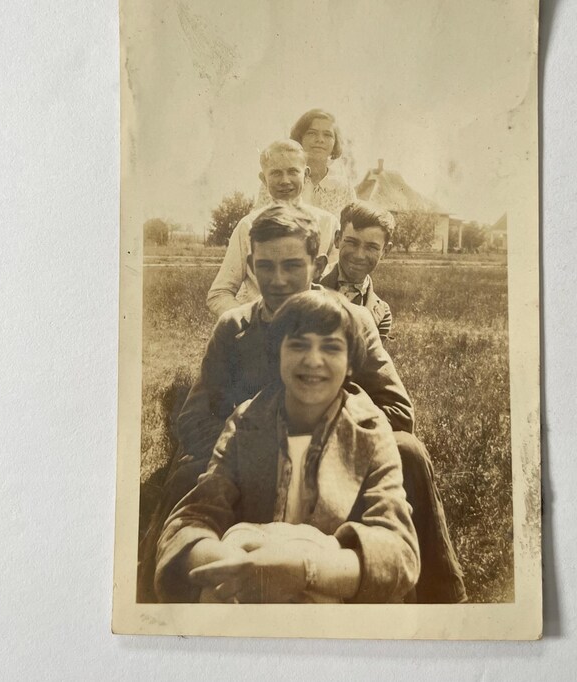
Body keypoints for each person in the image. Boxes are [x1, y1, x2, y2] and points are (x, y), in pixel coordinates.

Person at [138, 204, 465, 604]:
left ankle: (442, 598)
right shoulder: (236, 327)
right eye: (265, 266)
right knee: (187, 472)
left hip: (343, 452)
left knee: (408, 451)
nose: (278, 279)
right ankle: (153, 599)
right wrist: (252, 447)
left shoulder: (353, 321)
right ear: (250, 264)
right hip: (246, 455)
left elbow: (398, 411)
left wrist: (330, 428)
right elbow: (194, 416)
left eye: (293, 265)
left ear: (318, 262)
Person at [154, 290, 420, 604]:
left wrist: (304, 569)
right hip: (248, 589)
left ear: (350, 365)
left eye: (331, 347)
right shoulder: (247, 422)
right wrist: (237, 566)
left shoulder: (369, 431)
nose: (313, 360)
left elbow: (398, 548)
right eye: (298, 344)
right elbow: (193, 517)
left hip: (334, 596)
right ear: (278, 354)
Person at [206, 140, 339, 317]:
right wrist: (251, 323)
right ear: (263, 178)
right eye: (276, 173)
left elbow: (338, 288)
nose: (285, 181)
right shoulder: (248, 225)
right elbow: (219, 294)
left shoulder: (328, 223)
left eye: (293, 171)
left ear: (306, 174)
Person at [255, 109, 356, 216]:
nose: (320, 139)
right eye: (312, 133)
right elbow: (258, 222)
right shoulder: (278, 182)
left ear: (335, 142)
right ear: (300, 138)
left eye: (327, 135)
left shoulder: (344, 188)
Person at [321, 200, 394, 341]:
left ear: (386, 251)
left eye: (371, 247)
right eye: (352, 242)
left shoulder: (381, 313)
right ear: (337, 239)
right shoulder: (308, 284)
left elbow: (371, 361)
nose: (359, 255)